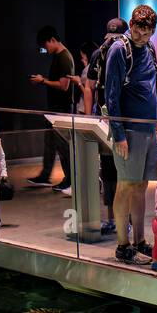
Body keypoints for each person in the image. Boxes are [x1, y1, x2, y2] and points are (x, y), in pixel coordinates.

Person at [104, 4, 157, 265]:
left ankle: (140, 241)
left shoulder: (150, 48)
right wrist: (118, 134)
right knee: (126, 185)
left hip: (148, 129)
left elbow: (156, 87)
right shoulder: (120, 50)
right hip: (128, 131)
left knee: (142, 185)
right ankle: (123, 245)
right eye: (139, 31)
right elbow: (111, 94)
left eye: (148, 33)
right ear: (131, 26)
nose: (143, 37)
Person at [86, 17, 129, 237]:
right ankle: (118, 219)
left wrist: (89, 116)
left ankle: (119, 219)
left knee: (117, 172)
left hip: (112, 122)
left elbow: (89, 87)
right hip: (111, 122)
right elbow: (90, 86)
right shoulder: (117, 52)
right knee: (115, 172)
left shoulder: (100, 53)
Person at [27, 26, 75, 195]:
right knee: (50, 144)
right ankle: (45, 175)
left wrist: (42, 81)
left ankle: (70, 180)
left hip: (61, 109)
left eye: (45, 45)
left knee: (63, 146)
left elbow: (64, 85)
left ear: (52, 40)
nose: (45, 49)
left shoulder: (64, 58)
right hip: (55, 109)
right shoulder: (59, 56)